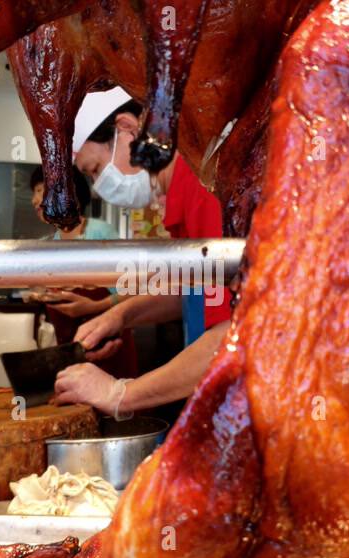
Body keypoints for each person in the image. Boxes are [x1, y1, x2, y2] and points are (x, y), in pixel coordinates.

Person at [53, 88, 232, 417]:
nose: (99, 186)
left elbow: (234, 335)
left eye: (95, 170)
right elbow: (193, 292)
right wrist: (121, 316)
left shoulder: (205, 189)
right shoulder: (180, 193)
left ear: (128, 129)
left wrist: (120, 394)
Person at [30, 165, 138, 379]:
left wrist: (94, 306)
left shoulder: (100, 232)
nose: (34, 200)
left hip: (109, 344)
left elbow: (133, 289)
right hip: (69, 349)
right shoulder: (50, 244)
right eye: (33, 192)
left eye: (41, 190)